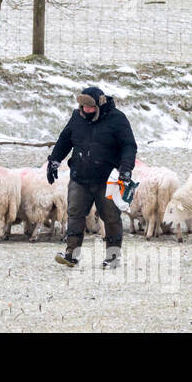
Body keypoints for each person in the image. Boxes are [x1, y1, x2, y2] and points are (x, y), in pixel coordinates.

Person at [44, 86, 137, 269]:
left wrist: (126, 169)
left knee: (110, 217)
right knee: (75, 214)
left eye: (90, 107)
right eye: (83, 107)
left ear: (100, 104)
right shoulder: (77, 117)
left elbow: (129, 146)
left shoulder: (117, 119)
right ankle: (71, 254)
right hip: (80, 177)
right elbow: (64, 140)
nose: (86, 110)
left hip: (107, 179)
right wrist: (54, 160)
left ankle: (113, 256)